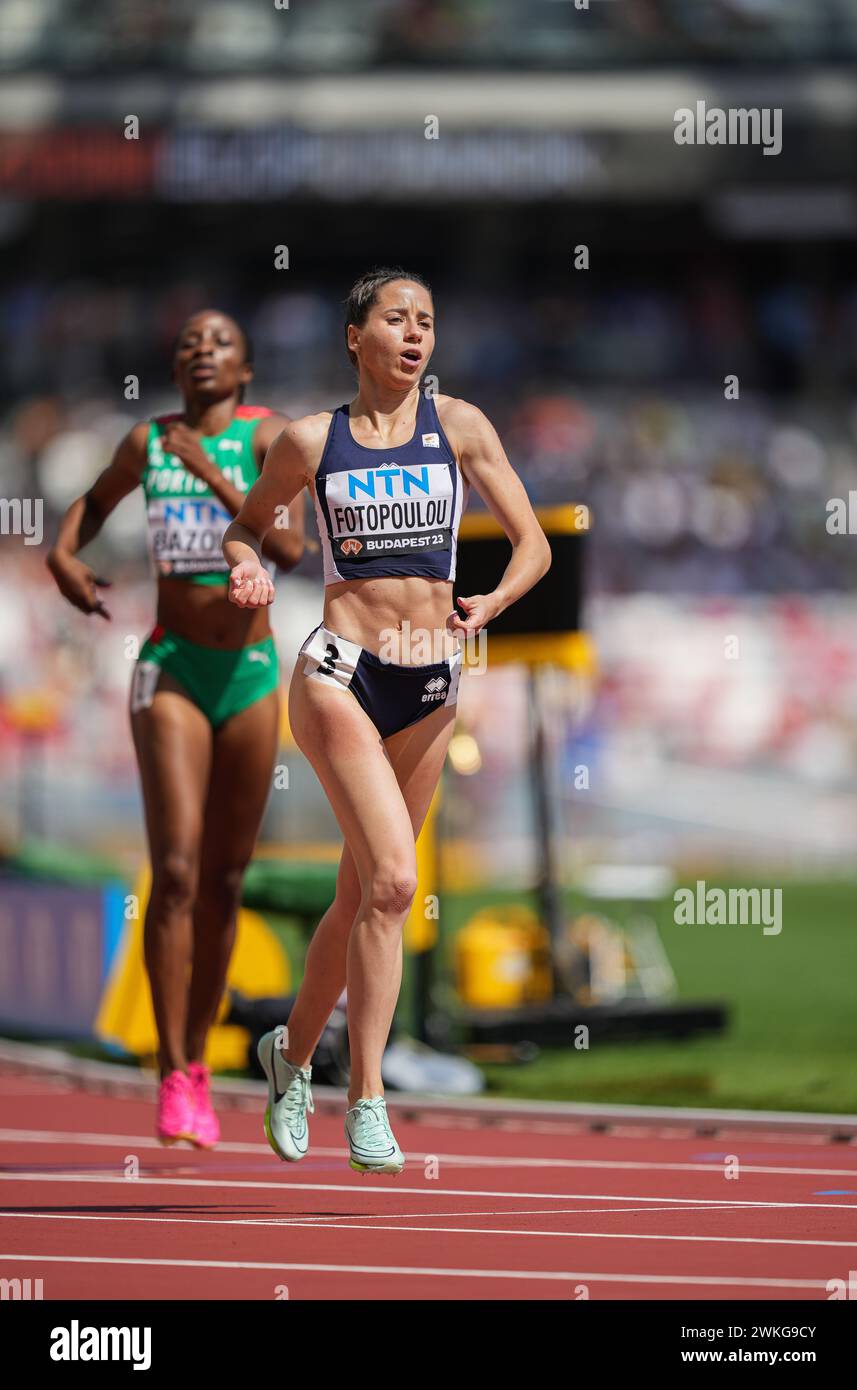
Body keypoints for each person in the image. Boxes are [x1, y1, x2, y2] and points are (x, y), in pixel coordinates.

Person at [223, 268, 550, 1173]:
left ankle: (288, 1059)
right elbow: (246, 527)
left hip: (432, 682)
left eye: (428, 322)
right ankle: (367, 1096)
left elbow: (536, 544)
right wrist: (247, 566)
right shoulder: (310, 439)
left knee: (360, 896)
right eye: (397, 320)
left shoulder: (465, 428)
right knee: (397, 884)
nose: (415, 335)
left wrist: (491, 602)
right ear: (355, 337)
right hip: (340, 676)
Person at [47, 310, 305, 1147]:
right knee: (180, 869)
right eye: (189, 341)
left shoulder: (268, 438)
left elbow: (294, 549)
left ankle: (198, 1063)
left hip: (253, 675)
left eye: (220, 341)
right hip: (172, 667)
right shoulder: (146, 441)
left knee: (228, 880)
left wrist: (218, 478)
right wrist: (63, 554)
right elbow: (90, 505)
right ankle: (170, 1071)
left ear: (247, 371)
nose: (201, 350)